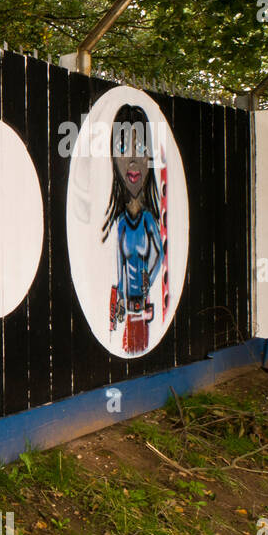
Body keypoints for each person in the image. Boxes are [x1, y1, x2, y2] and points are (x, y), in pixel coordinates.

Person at [103, 104, 164, 354]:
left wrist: (149, 277)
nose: (131, 160)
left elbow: (158, 255)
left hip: (142, 292)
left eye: (140, 149)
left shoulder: (149, 218)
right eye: (122, 148)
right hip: (129, 297)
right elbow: (119, 261)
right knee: (129, 339)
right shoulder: (120, 223)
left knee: (140, 338)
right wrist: (118, 295)